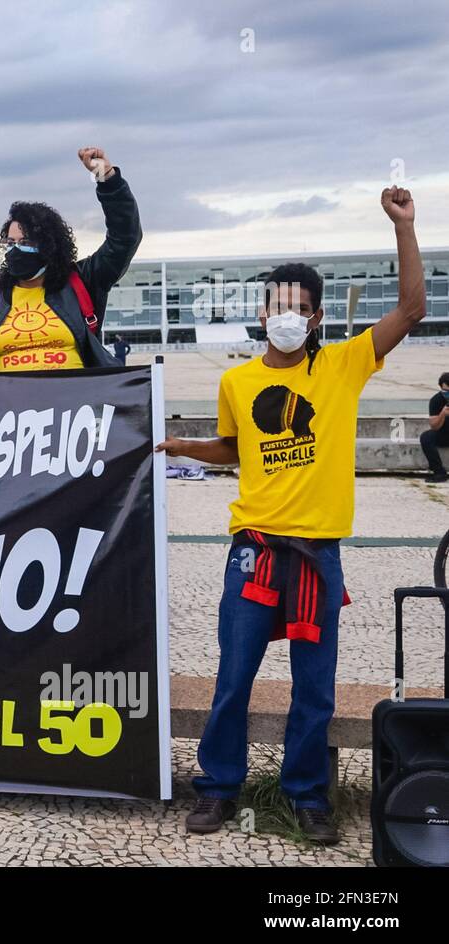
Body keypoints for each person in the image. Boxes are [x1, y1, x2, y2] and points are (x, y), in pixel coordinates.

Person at [156, 188, 425, 844]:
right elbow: (233, 446)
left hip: (317, 554)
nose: (286, 316)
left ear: (315, 317)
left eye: (298, 309)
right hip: (252, 549)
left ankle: (307, 795)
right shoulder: (237, 381)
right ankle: (217, 788)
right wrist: (187, 445)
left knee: (316, 686)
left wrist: (405, 228)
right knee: (234, 674)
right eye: (277, 306)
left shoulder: (343, 366)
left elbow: (413, 308)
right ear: (262, 311)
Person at [0, 147, 142, 376]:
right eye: (10, 242)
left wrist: (106, 177)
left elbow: (125, 238)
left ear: (50, 245)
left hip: (74, 405)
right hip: (8, 408)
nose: (16, 250)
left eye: (26, 242)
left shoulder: (82, 282)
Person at [420, 371, 449, 483]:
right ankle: (439, 472)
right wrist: (442, 414)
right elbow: (434, 426)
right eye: (445, 391)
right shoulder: (436, 400)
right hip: (444, 433)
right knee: (426, 437)